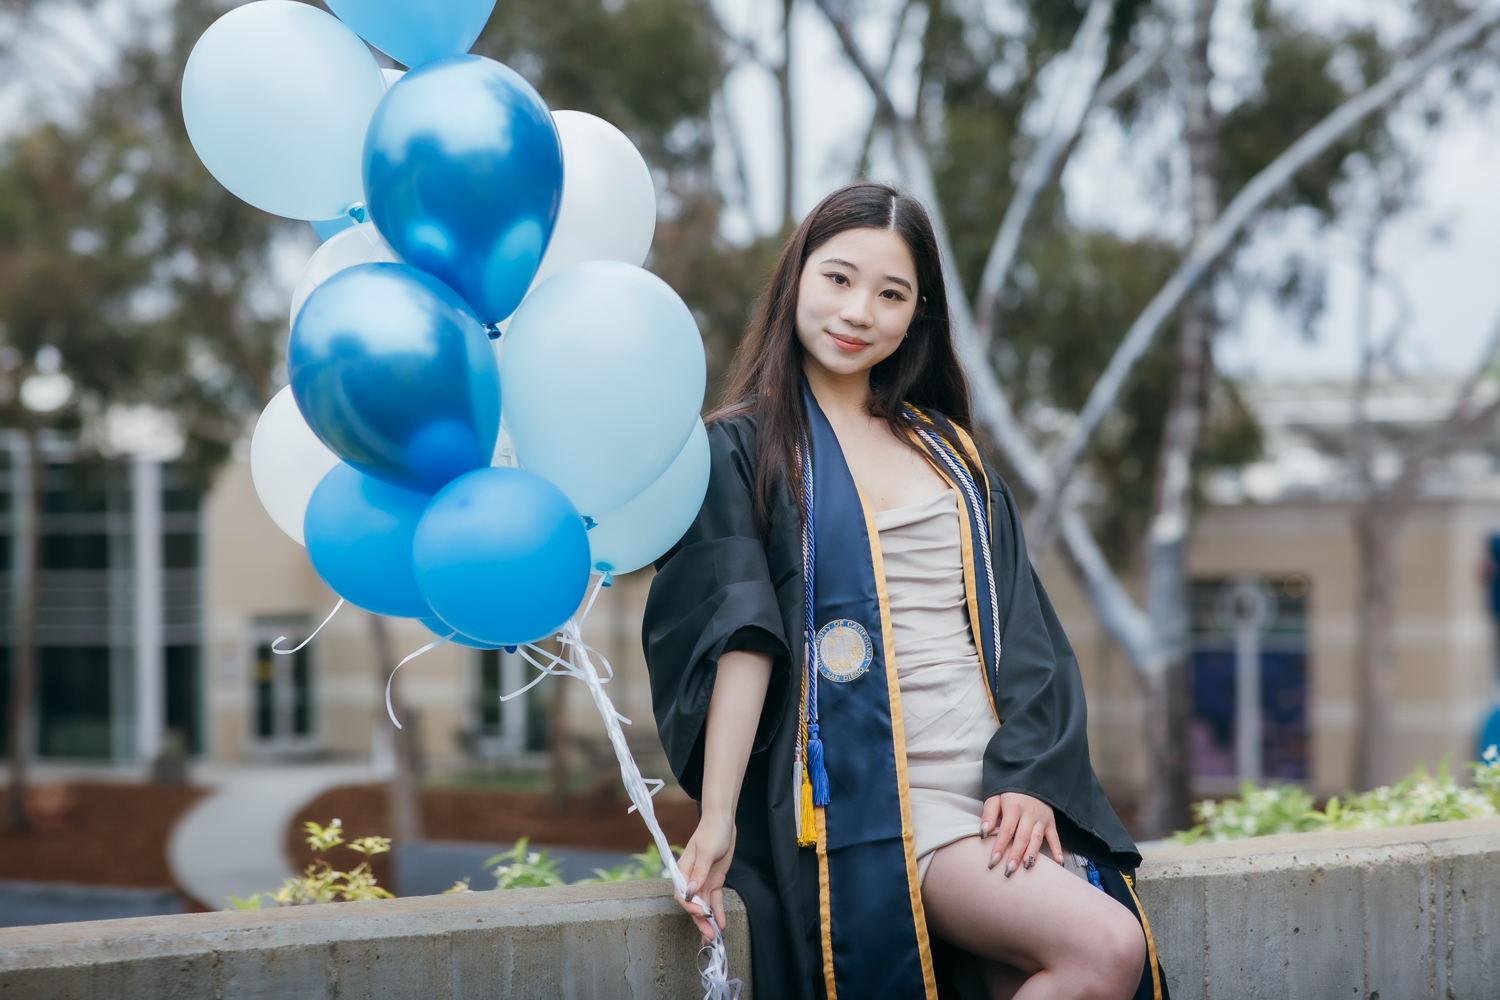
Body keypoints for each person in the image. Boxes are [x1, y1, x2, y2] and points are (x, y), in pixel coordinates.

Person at [643, 182, 1166, 1000]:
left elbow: (1024, 635)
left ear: (918, 316)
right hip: (884, 800)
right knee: (1105, 947)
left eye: (893, 295)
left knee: (1031, 972)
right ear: (796, 281)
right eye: (839, 279)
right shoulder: (742, 450)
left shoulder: (947, 448)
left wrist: (1030, 776)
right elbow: (742, 635)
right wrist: (717, 818)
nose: (859, 312)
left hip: (993, 783)